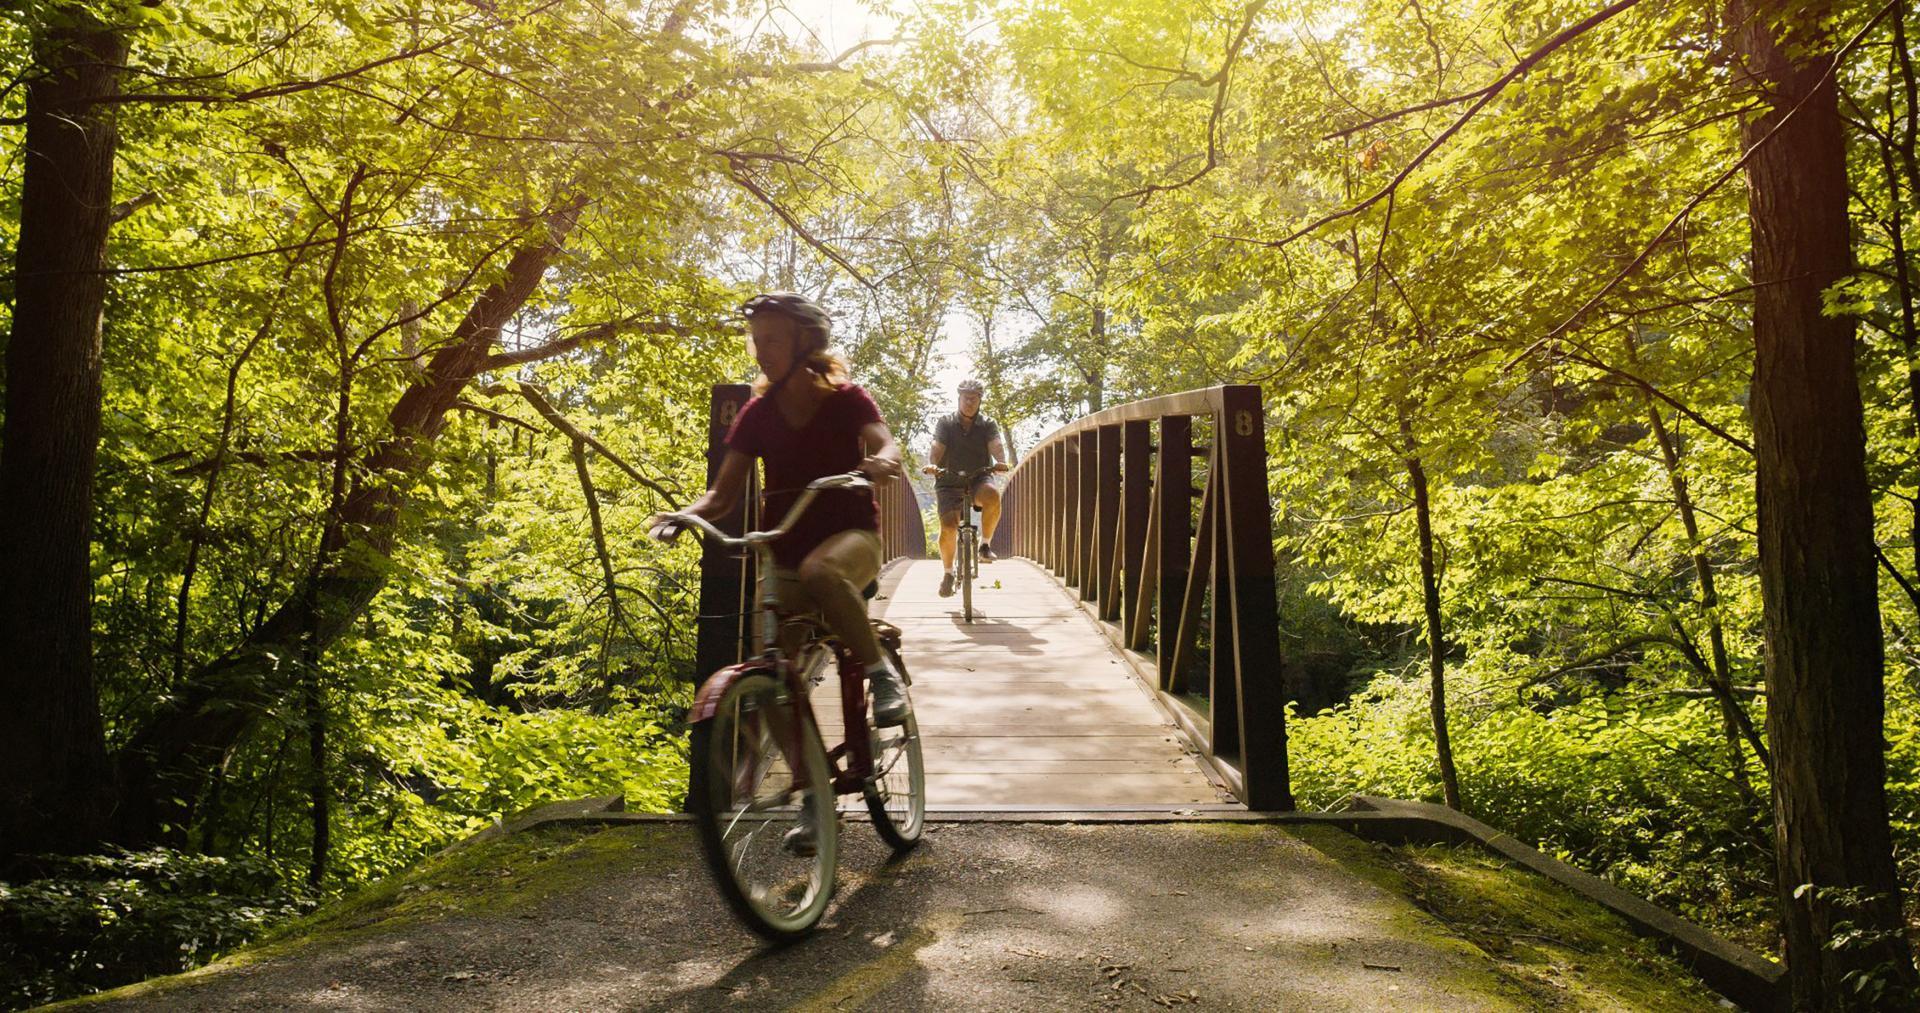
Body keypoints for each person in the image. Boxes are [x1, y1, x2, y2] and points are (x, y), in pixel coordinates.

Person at [652, 292, 911, 726]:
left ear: (806, 342)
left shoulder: (846, 399)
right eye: (757, 341)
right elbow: (721, 496)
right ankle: (804, 785)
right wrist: (682, 515)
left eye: (772, 341)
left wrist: (882, 462)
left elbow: (885, 443)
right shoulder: (758, 414)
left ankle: (880, 675)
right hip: (785, 552)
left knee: (821, 572)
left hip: (851, 537)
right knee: (772, 673)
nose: (761, 352)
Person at [923, 378, 1009, 598]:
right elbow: (937, 445)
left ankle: (985, 546)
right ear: (959, 398)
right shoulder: (946, 422)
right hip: (948, 480)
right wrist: (932, 463)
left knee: (992, 495)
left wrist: (1001, 460)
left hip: (979, 477)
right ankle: (948, 573)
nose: (969, 402)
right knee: (949, 527)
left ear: (980, 400)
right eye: (965, 398)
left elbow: (996, 444)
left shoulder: (987, 424)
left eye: (974, 398)